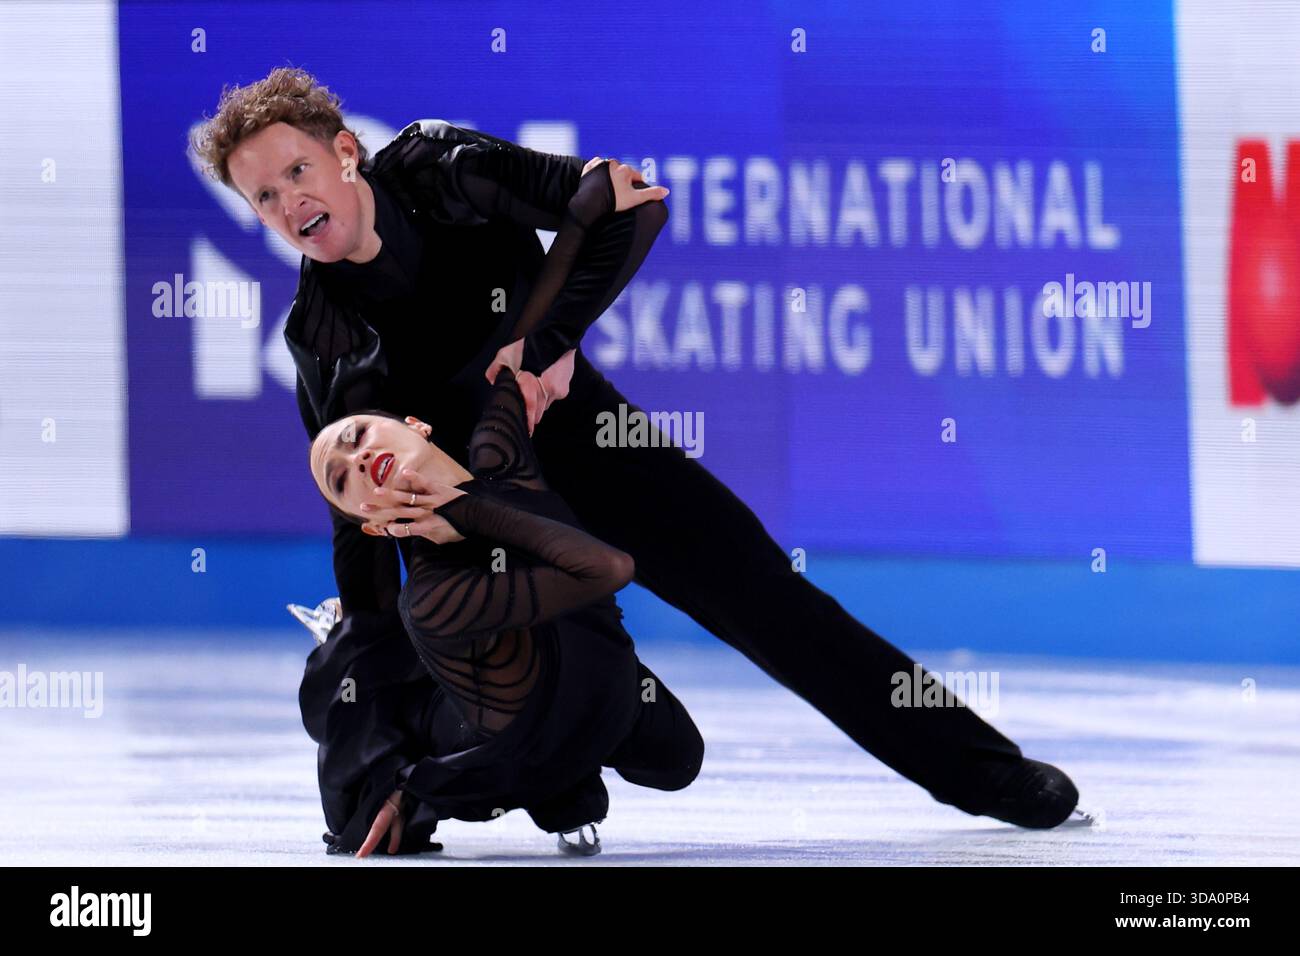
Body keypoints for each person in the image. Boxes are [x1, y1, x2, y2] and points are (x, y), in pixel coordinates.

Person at [193, 66, 1083, 844]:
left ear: (346, 151)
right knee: (570, 731)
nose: (287, 203)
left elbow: (624, 204)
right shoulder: (322, 338)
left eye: (296, 170)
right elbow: (358, 543)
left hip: (593, 447)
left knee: (771, 601)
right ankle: (567, 743)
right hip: (499, 537)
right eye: (262, 197)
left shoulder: (436, 169)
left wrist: (545, 345)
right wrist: (379, 751)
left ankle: (985, 772)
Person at [306, 367, 703, 856]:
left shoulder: (501, 455)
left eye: (358, 435)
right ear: (370, 523)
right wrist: (467, 510)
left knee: (679, 759)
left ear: (416, 425)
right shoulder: (432, 596)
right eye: (343, 479)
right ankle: (345, 640)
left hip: (611, 687)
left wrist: (537, 365)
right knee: (566, 792)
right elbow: (609, 568)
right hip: (516, 756)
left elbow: (514, 370)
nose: (359, 458)